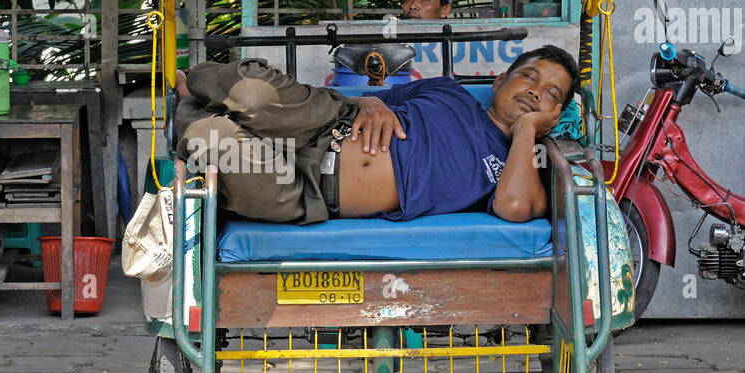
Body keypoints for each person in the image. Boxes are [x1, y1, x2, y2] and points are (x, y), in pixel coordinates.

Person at [174, 46, 578, 225]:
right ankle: (194, 82)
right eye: (528, 76)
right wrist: (373, 103)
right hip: (326, 122)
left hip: (308, 192)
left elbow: (514, 208)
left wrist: (526, 131)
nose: (534, 91)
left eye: (551, 94)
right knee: (251, 90)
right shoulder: (448, 91)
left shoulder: (516, 166)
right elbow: (371, 96)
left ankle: (196, 106)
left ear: (555, 114)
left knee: (210, 139)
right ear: (500, 79)